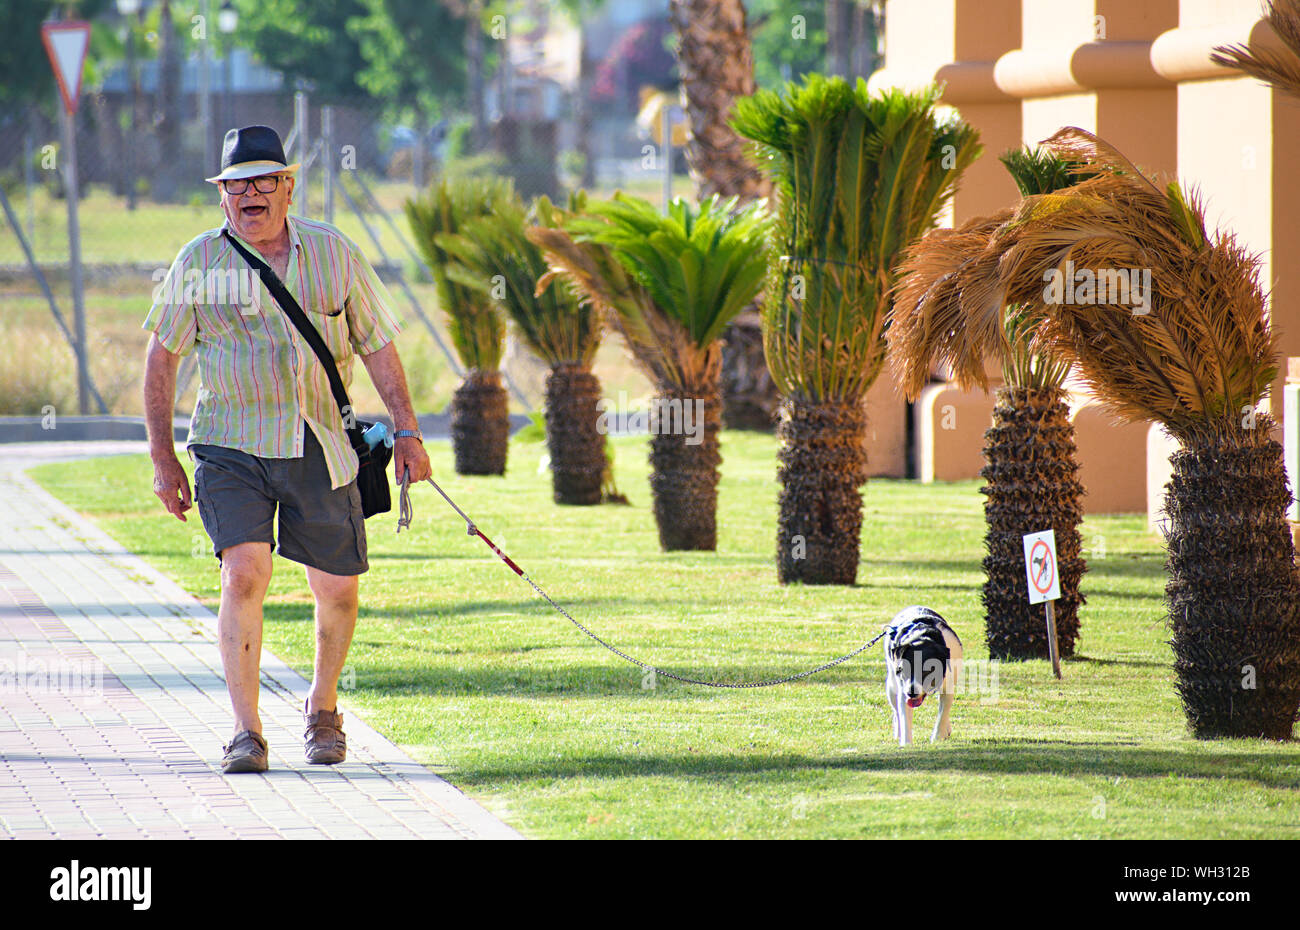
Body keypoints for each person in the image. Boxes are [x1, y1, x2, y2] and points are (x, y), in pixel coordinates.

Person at [142, 125, 432, 774]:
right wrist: (162, 459)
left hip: (320, 441)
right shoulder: (199, 262)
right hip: (230, 442)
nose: (251, 193)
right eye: (237, 184)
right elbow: (161, 360)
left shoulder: (333, 253)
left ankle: (323, 708)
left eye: (264, 180)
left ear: (288, 188)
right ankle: (246, 732)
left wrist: (407, 430)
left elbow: (378, 343)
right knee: (244, 573)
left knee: (338, 589)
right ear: (222, 195)